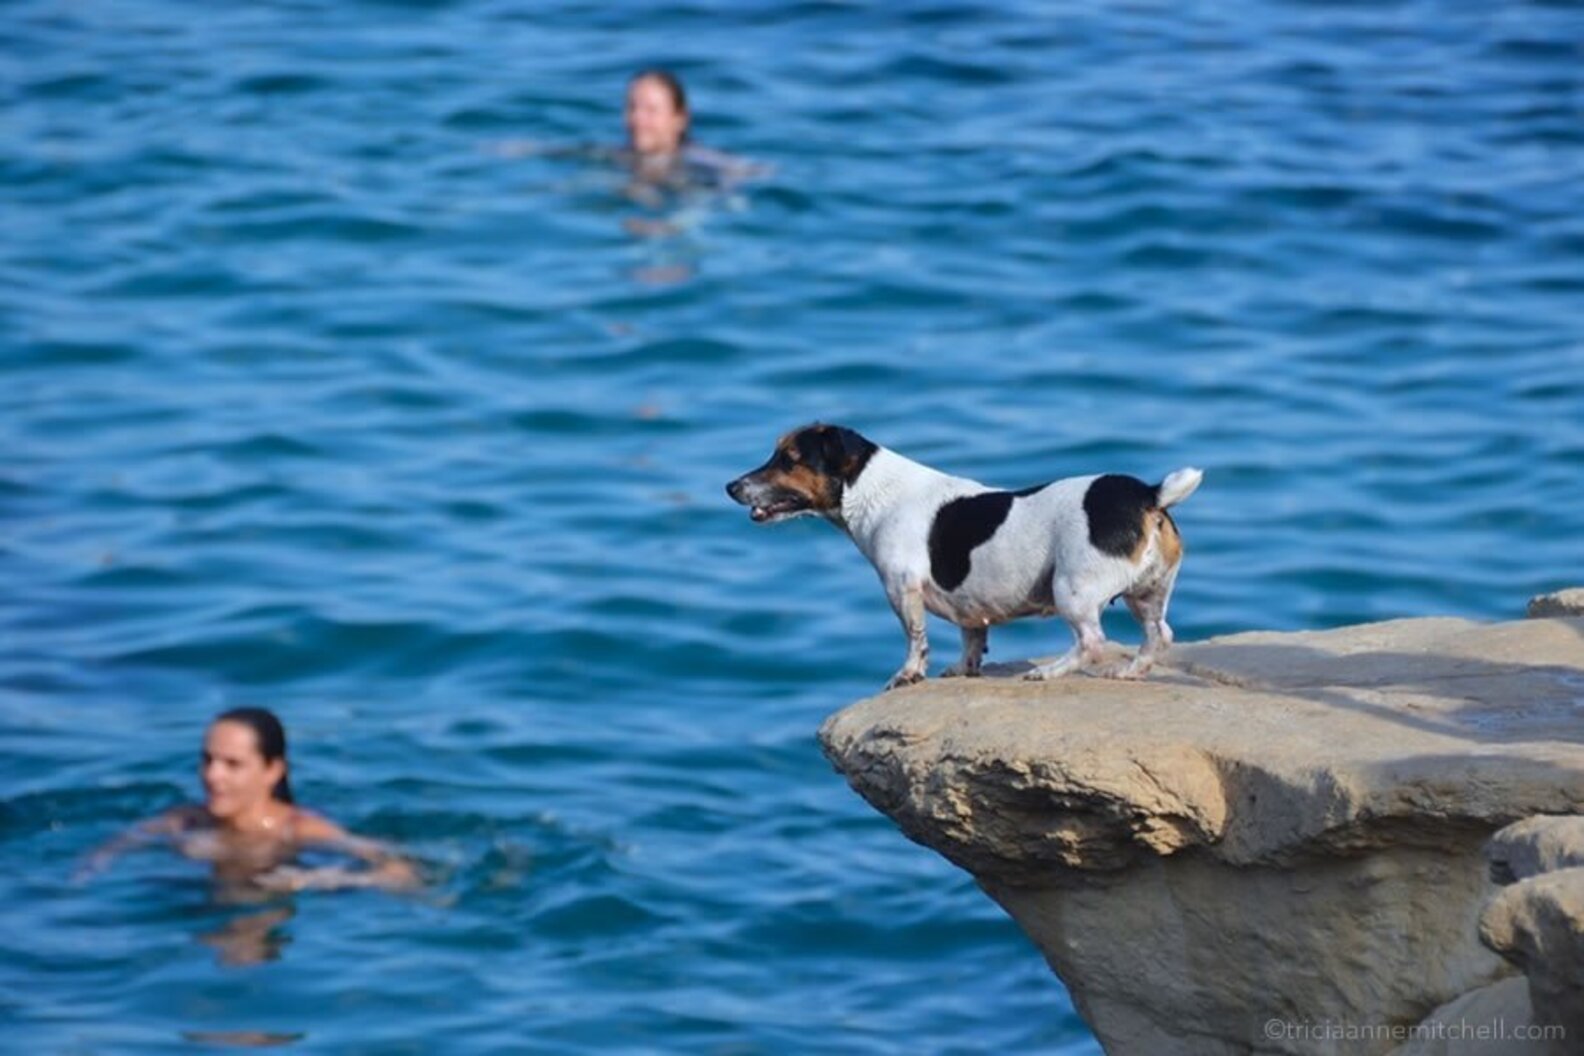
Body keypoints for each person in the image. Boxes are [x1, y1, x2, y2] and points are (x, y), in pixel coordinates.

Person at [80, 707, 418, 893]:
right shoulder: (184, 820)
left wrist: (319, 880)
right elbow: (113, 847)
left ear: (273, 771)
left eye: (232, 765)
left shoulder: (299, 830)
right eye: (207, 760)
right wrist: (87, 874)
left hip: (262, 913)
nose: (213, 776)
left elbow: (402, 872)